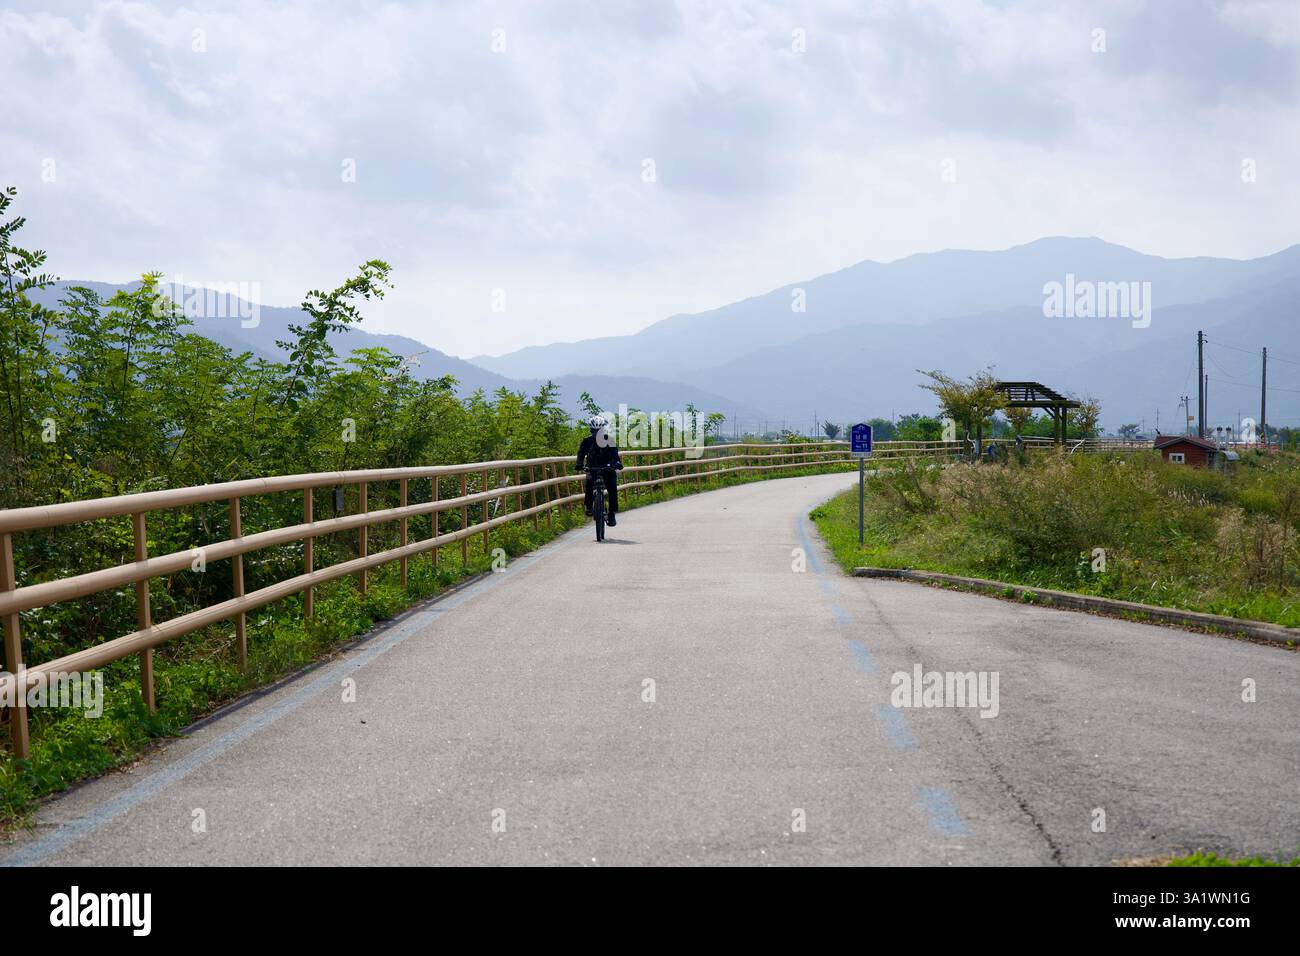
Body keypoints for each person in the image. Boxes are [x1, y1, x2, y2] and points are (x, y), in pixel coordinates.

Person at [576, 415, 624, 525]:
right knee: (589, 484)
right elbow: (581, 453)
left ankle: (611, 513)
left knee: (612, 488)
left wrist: (617, 463)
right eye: (594, 430)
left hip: (607, 467)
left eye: (598, 430)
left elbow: (614, 454)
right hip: (592, 466)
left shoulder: (609, 440)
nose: (596, 433)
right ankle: (588, 506)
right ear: (590, 430)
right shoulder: (586, 441)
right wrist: (579, 463)